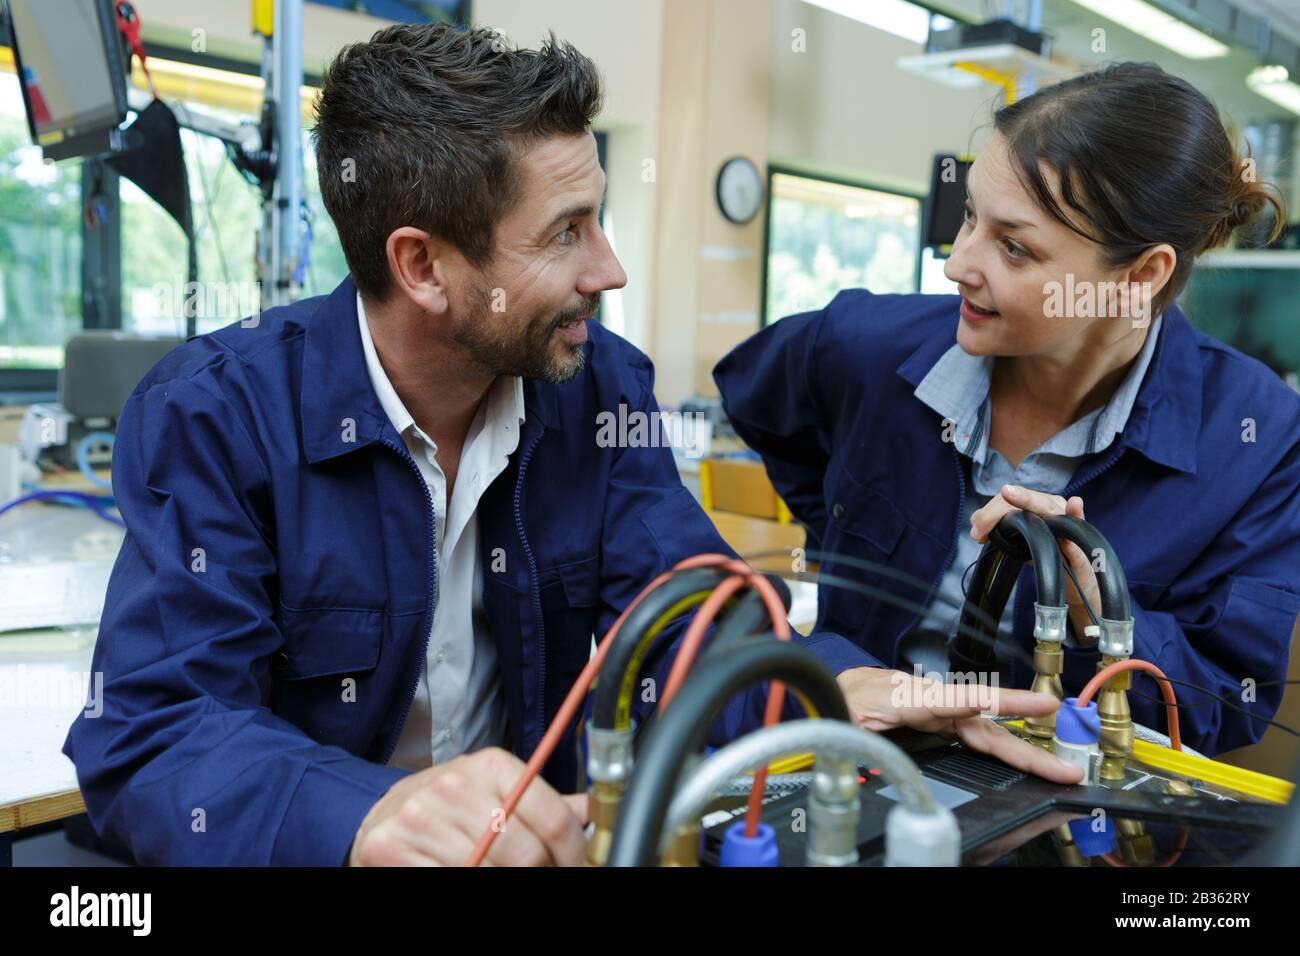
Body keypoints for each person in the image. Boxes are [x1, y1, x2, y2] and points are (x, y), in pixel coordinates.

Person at [64, 24, 1077, 869]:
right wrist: (363, 813)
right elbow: (157, 734)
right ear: (423, 264)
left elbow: (688, 604)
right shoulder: (216, 415)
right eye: (567, 232)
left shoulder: (596, 389)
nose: (612, 267)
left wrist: (824, 683)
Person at [715, 62, 1300, 757]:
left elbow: (1229, 706)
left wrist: (1098, 615)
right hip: (853, 767)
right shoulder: (860, 345)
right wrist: (835, 516)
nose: (958, 263)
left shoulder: (1257, 436)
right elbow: (755, 400)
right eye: (969, 217)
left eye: (1014, 247)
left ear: (1141, 277)